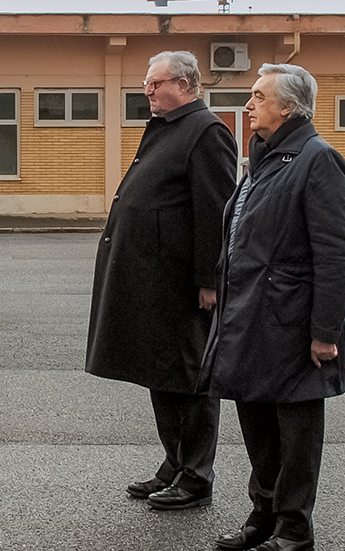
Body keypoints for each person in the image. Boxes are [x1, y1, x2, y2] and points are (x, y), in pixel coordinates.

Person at [200, 63, 345, 551]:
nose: (249, 105)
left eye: (258, 96)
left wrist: (325, 332)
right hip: (249, 314)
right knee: (256, 418)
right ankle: (263, 515)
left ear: (288, 107)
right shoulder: (264, 156)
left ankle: (294, 526)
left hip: (291, 321)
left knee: (295, 431)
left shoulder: (317, 158)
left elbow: (335, 253)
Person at [84, 50, 236, 513]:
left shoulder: (207, 132)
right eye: (146, 84)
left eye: (156, 83)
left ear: (185, 85)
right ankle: (175, 464)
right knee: (161, 374)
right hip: (155, 279)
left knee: (188, 376)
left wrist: (210, 279)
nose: (147, 91)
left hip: (181, 282)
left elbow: (215, 211)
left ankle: (196, 477)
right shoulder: (167, 127)